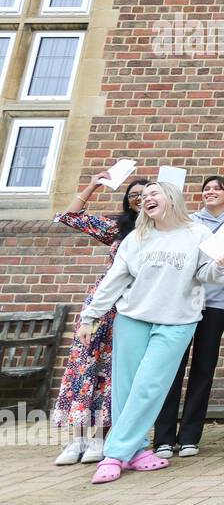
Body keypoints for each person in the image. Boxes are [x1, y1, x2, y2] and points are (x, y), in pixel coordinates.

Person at [76, 182, 224, 484]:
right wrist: (90, 316)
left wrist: (221, 266)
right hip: (133, 318)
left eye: (153, 193)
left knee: (150, 385)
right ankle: (135, 450)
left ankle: (114, 454)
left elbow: (207, 275)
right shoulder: (137, 237)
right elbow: (115, 279)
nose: (146, 198)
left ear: (171, 198)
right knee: (126, 389)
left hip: (178, 320)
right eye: (144, 196)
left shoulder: (198, 233)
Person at [51, 174, 148, 465]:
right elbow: (69, 216)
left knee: (115, 372)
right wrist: (93, 184)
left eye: (146, 193)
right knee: (84, 367)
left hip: (134, 308)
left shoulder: (161, 232)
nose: (140, 199)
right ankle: (78, 438)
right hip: (101, 305)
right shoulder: (118, 228)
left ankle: (102, 438)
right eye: (134, 195)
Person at [153, 176, 224, 459]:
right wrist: (219, 257)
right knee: (172, 368)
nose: (210, 192)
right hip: (182, 302)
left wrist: (220, 260)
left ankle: (189, 437)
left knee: (203, 369)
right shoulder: (188, 222)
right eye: (206, 189)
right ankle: (163, 437)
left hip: (217, 303)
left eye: (217, 189)